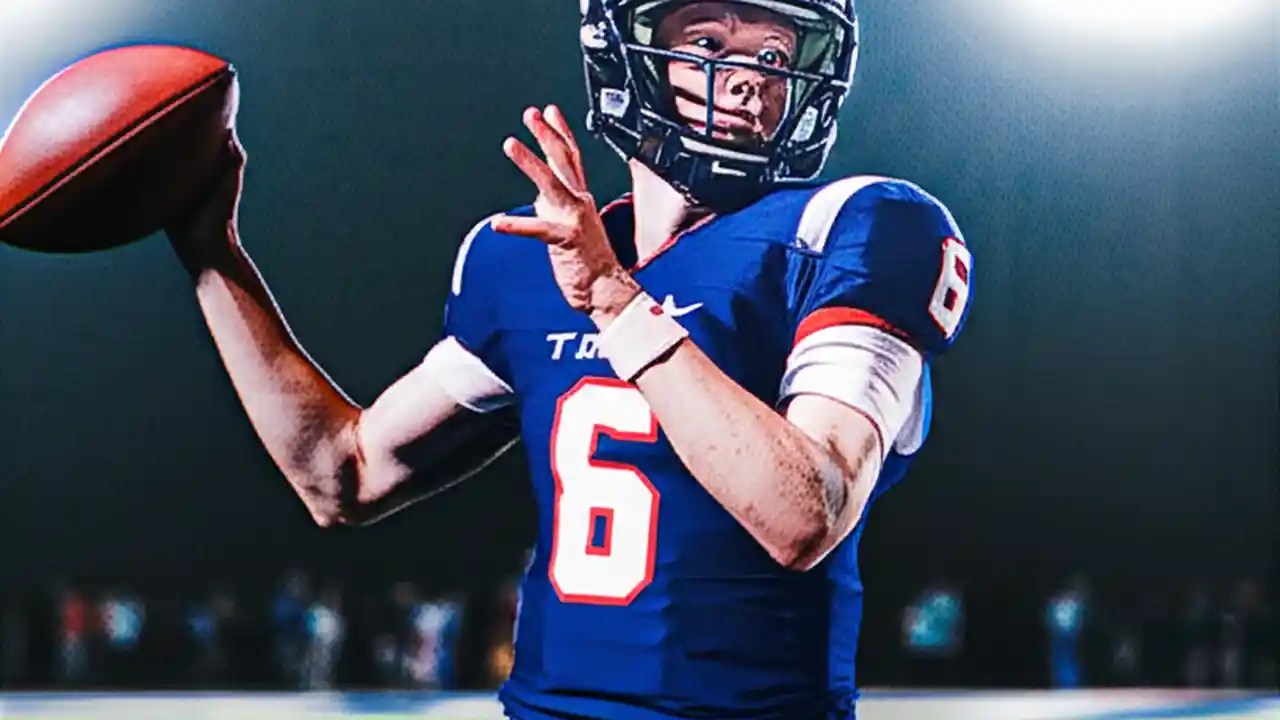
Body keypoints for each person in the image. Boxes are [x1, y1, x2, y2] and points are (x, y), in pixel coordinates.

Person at [165, 1, 973, 717]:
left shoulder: (850, 230)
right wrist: (211, 255)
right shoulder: (531, 259)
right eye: (710, 42)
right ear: (625, 46)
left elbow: (806, 514)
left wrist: (615, 303)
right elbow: (339, 473)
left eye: (773, 53)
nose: (749, 81)